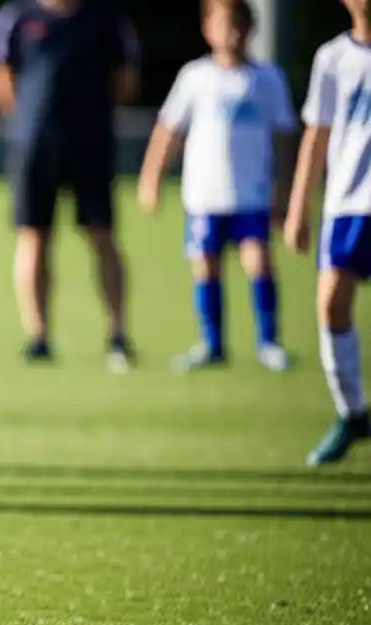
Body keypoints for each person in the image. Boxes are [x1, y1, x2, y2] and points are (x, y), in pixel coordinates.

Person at [136, 0, 296, 373]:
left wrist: (283, 189)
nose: (233, 34)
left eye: (240, 25)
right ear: (208, 29)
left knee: (258, 261)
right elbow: (168, 131)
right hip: (206, 193)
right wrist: (152, 177)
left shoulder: (267, 79)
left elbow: (285, 138)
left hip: (251, 192)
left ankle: (268, 341)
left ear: (250, 29)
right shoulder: (196, 76)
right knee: (205, 266)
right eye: (225, 25)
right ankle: (212, 344)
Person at [0, 0, 140, 371]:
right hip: (35, 146)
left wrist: (98, 116)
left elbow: (125, 77)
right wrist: (25, 122)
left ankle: (118, 333)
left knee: (102, 235)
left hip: (91, 143)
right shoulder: (18, 16)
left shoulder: (104, 17)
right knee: (34, 237)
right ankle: (38, 335)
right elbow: (1, 72)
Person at [283, 0, 371, 467]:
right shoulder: (334, 58)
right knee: (331, 304)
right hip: (347, 205)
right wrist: (299, 206)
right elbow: (317, 135)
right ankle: (352, 412)